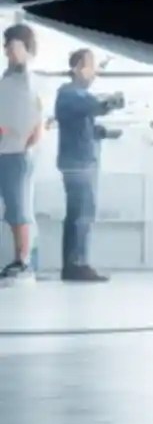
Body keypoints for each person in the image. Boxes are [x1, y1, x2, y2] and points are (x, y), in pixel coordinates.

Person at [55, 48, 123, 283]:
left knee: (78, 214)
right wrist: (114, 101)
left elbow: (81, 123)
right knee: (81, 215)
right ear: (76, 69)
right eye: (90, 66)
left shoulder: (75, 95)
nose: (93, 72)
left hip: (80, 161)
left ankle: (74, 264)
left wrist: (101, 132)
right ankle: (77, 265)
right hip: (79, 163)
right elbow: (94, 106)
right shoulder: (70, 92)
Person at [0, 24, 44, 284]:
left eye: (12, 45)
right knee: (14, 207)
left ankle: (23, 262)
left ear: (26, 48)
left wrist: (32, 139)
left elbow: (39, 115)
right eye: (6, 46)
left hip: (19, 152)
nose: (7, 51)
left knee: (19, 208)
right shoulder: (9, 77)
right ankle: (20, 260)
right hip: (5, 149)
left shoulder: (31, 79)